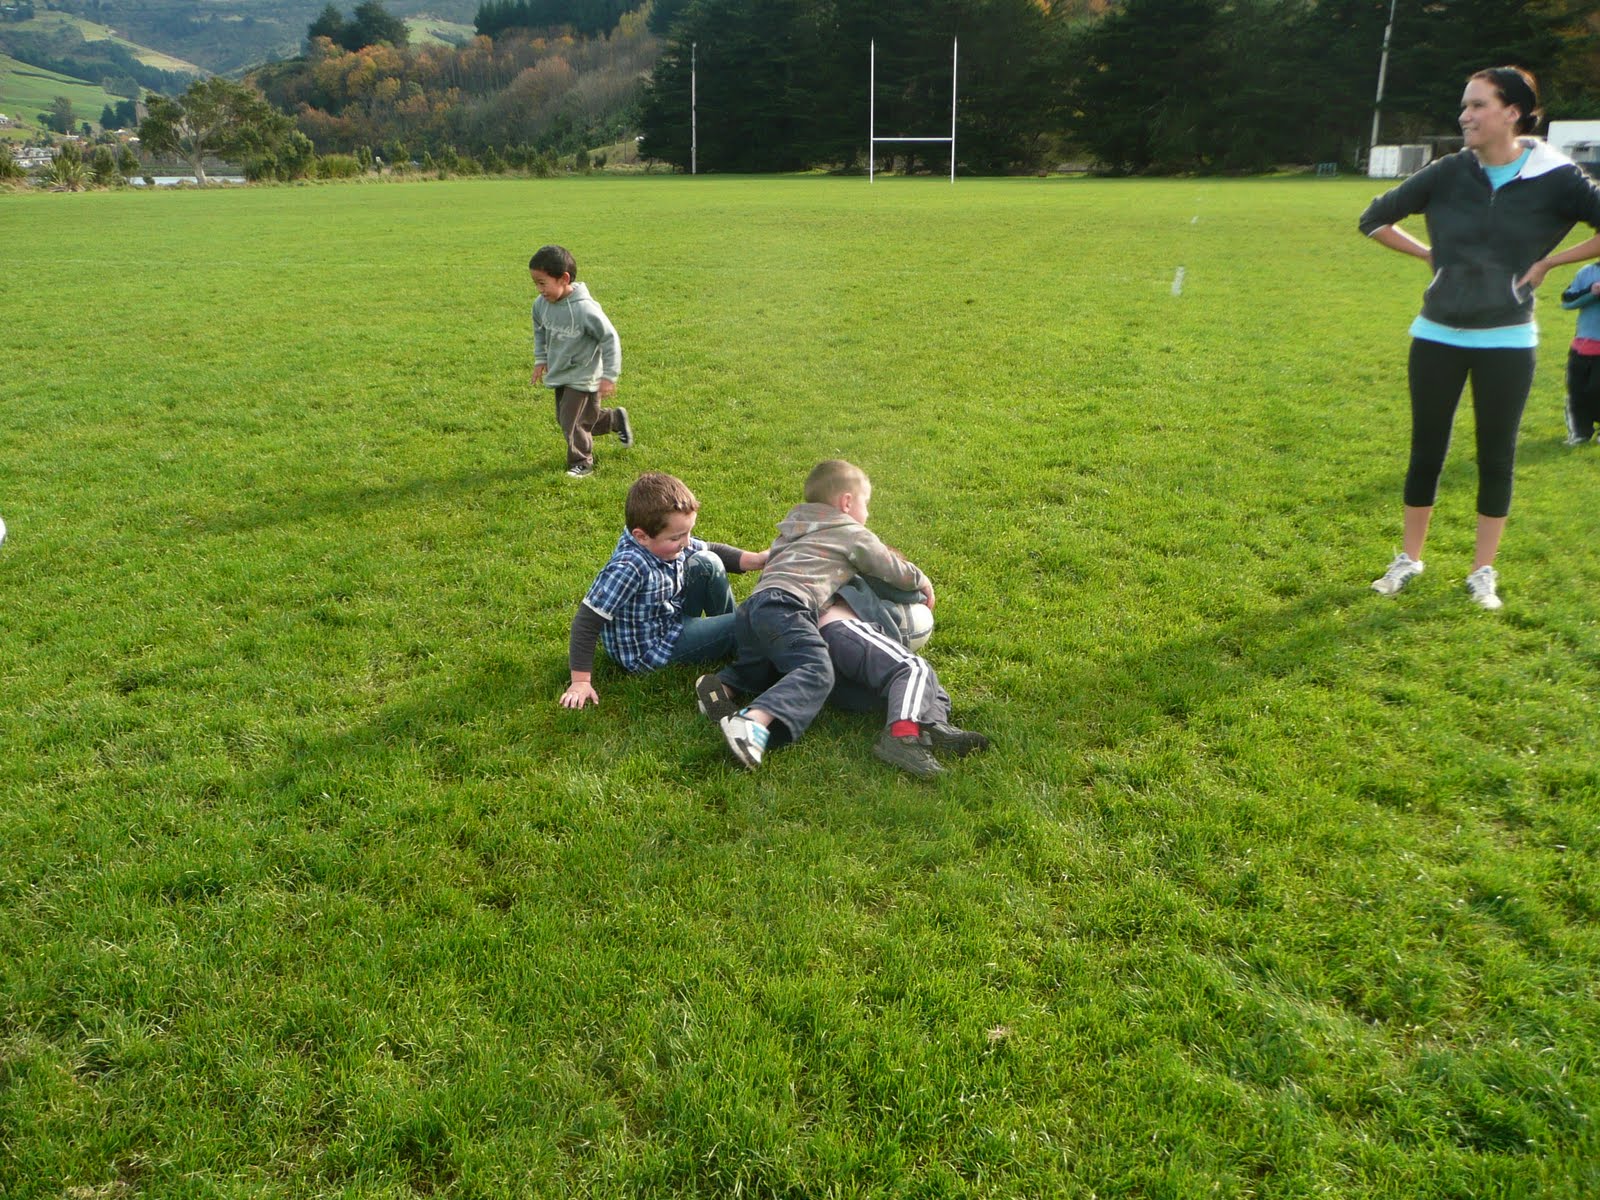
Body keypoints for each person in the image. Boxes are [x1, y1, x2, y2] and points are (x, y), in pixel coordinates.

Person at [1359, 66, 1600, 610]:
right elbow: (1374, 219)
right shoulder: (1448, 172)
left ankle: (1482, 571)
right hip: (1436, 334)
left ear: (1512, 112)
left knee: (1496, 456)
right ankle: (1408, 558)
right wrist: (1430, 255)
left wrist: (1550, 262)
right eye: (1464, 105)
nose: (1464, 116)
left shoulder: (1557, 177)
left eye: (1477, 105)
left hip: (1508, 341)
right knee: (1427, 451)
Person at [702, 459, 979, 776]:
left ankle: (723, 687)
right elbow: (887, 566)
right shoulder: (850, 532)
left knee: (757, 667)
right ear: (847, 502)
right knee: (816, 669)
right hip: (790, 605)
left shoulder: (794, 529)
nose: (867, 514)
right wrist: (920, 579)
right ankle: (752, 722)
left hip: (754, 607)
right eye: (866, 504)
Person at [558, 473, 767, 709]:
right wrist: (580, 682)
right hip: (655, 648)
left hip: (669, 618)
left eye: (688, 532)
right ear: (641, 536)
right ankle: (738, 635)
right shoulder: (629, 567)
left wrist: (757, 559)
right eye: (677, 537)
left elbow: (708, 548)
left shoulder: (660, 543)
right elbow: (586, 622)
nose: (686, 542)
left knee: (707, 561)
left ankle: (734, 636)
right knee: (747, 619)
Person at [529, 244, 629, 479]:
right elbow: (539, 332)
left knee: (572, 421)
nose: (539, 290)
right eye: (536, 284)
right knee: (573, 419)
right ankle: (614, 419)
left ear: (564, 278)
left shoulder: (585, 309)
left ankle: (582, 462)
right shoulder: (541, 305)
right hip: (560, 371)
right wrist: (541, 359)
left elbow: (609, 338)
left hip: (584, 374)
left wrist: (609, 375)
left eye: (542, 283)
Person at [1559, 261, 1600, 445]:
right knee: (1576, 390)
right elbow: (1566, 302)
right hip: (1582, 345)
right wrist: (1591, 292)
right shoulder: (1587, 272)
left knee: (1596, 389)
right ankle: (1580, 432)